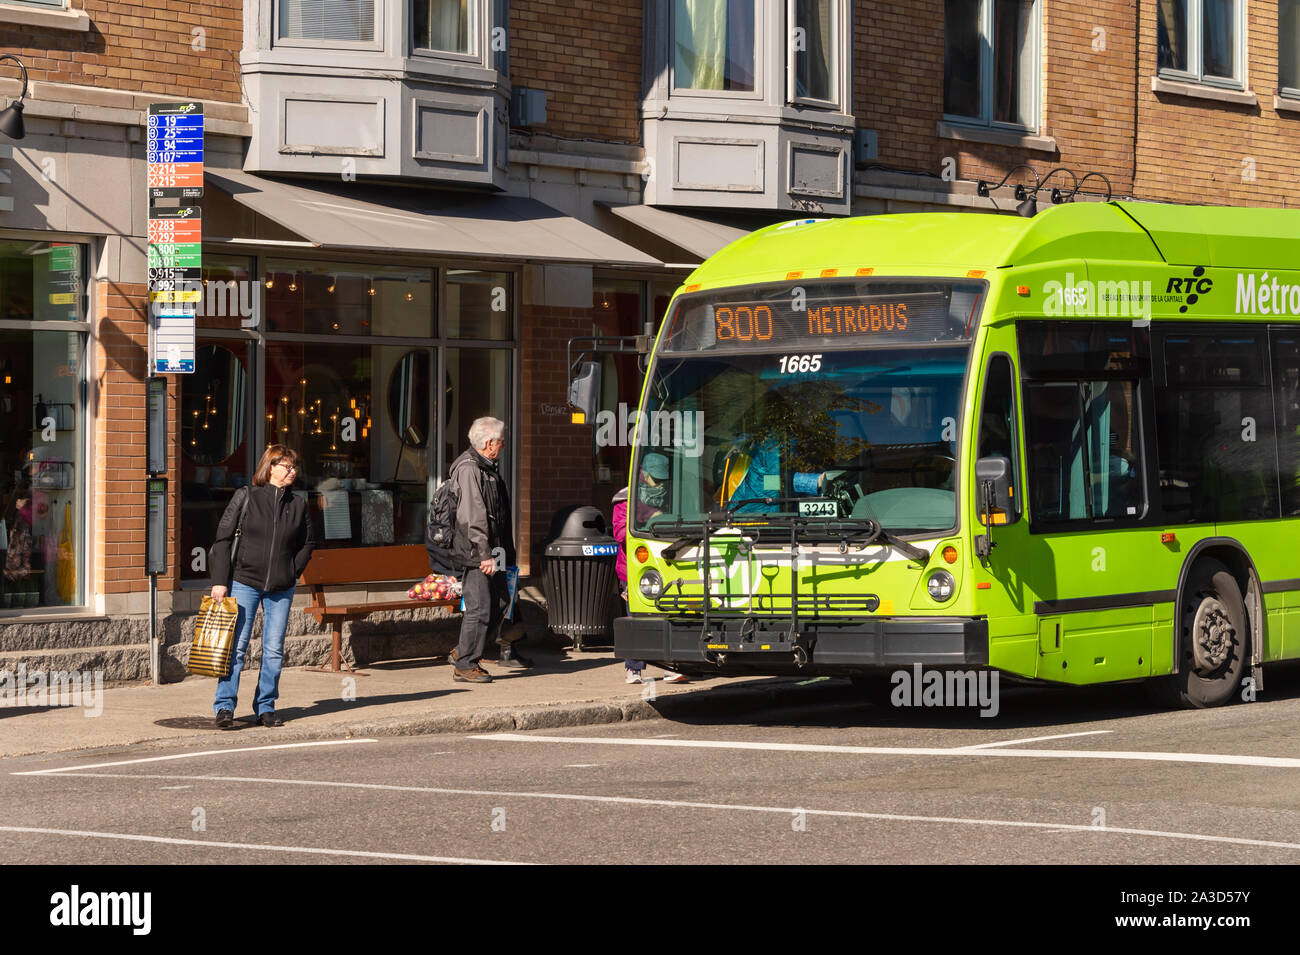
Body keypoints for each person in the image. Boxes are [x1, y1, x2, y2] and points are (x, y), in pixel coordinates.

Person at [209, 444, 316, 728]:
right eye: (287, 467)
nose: (293, 472)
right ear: (271, 468)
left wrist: (292, 571)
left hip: (281, 587)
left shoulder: (297, 504)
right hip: (245, 581)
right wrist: (220, 581)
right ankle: (224, 707)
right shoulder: (247, 496)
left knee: (273, 650)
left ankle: (266, 706)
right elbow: (222, 539)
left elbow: (308, 542)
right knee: (237, 647)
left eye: (295, 467)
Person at [447, 416, 527, 683]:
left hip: (497, 551)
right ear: (489, 442)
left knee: (501, 603)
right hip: (479, 552)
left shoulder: (487, 467)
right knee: (480, 607)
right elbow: (473, 517)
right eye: (501, 442)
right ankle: (466, 664)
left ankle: (463, 650)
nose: (503, 446)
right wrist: (484, 555)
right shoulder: (470, 469)